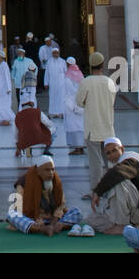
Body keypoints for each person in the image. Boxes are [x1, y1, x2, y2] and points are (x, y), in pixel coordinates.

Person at [6, 155, 88, 236]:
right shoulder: (24, 183)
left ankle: (59, 226)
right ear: (38, 171)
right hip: (33, 219)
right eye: (47, 170)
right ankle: (42, 229)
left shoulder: (56, 181)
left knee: (76, 211)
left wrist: (54, 222)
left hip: (53, 219)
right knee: (12, 214)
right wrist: (37, 218)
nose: (51, 173)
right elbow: (18, 207)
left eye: (53, 170)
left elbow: (61, 205)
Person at [86, 139, 139, 234]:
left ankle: (122, 225)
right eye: (108, 153)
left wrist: (98, 192)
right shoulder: (120, 163)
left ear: (122, 149)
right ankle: (134, 227)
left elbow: (117, 172)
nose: (112, 155)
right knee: (91, 219)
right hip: (131, 212)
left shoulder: (132, 160)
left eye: (114, 150)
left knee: (119, 182)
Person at [74, 52, 117, 190]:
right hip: (107, 127)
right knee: (110, 160)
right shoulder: (109, 81)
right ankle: (112, 188)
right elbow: (112, 101)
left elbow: (79, 102)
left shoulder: (86, 82)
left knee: (95, 162)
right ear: (102, 65)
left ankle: (97, 190)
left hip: (92, 129)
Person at [61, 56, 86, 154]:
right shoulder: (81, 75)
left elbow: (68, 91)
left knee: (73, 126)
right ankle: (81, 147)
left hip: (71, 104)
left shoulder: (67, 77)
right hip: (80, 103)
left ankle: (78, 148)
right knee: (80, 126)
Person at [44, 47, 69, 118]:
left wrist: (67, 82)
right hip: (52, 83)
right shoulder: (49, 62)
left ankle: (61, 113)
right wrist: (46, 83)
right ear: (52, 53)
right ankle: (53, 113)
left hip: (61, 83)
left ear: (59, 53)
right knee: (52, 97)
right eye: (54, 53)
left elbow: (66, 72)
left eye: (57, 53)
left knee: (61, 98)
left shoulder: (63, 61)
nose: (55, 54)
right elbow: (47, 73)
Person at [0, 52, 14, 126]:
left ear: (0, 56)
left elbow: (7, 77)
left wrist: (8, 88)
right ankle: (3, 119)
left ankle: (7, 119)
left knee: (3, 105)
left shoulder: (4, 65)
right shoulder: (0, 65)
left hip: (4, 89)